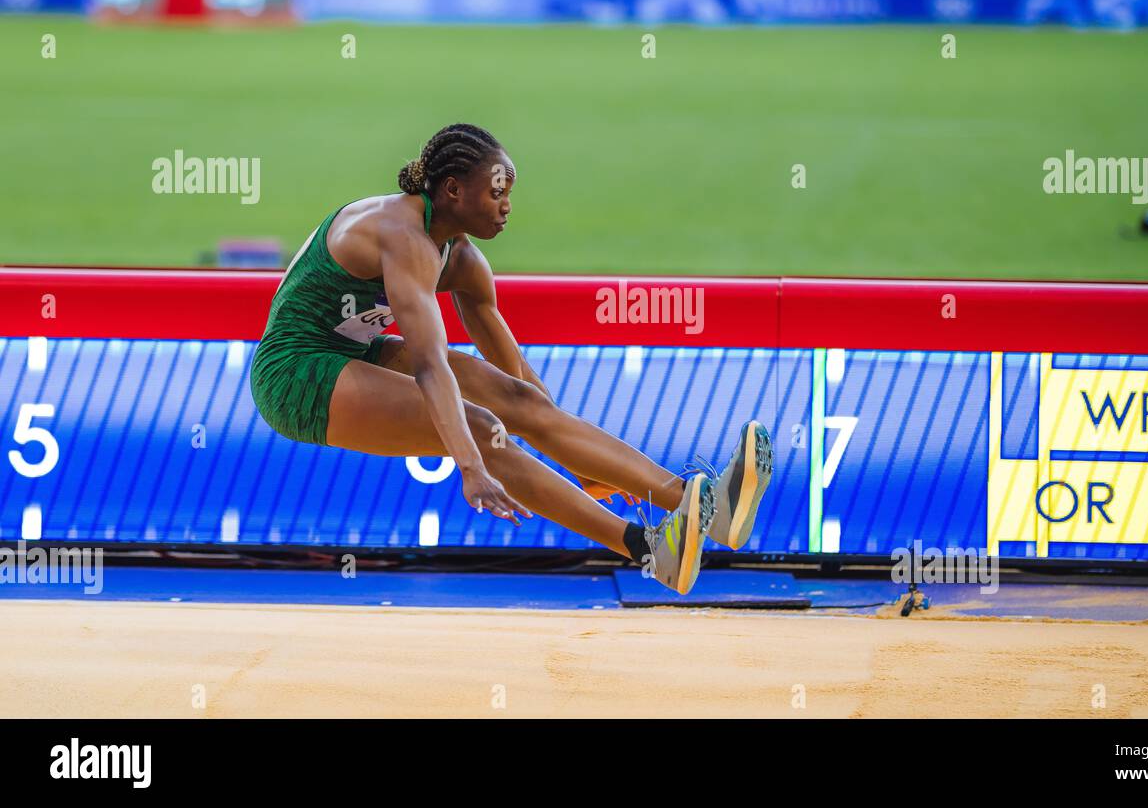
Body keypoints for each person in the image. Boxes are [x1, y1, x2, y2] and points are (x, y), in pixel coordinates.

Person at [249, 124, 774, 595]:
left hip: (351, 349)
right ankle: (650, 550)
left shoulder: (461, 258)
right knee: (481, 428)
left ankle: (699, 507)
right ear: (454, 190)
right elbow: (432, 367)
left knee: (510, 400)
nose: (507, 205)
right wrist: (472, 465)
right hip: (295, 373)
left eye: (510, 192)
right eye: (497, 191)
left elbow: (525, 396)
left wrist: (580, 461)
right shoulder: (401, 236)